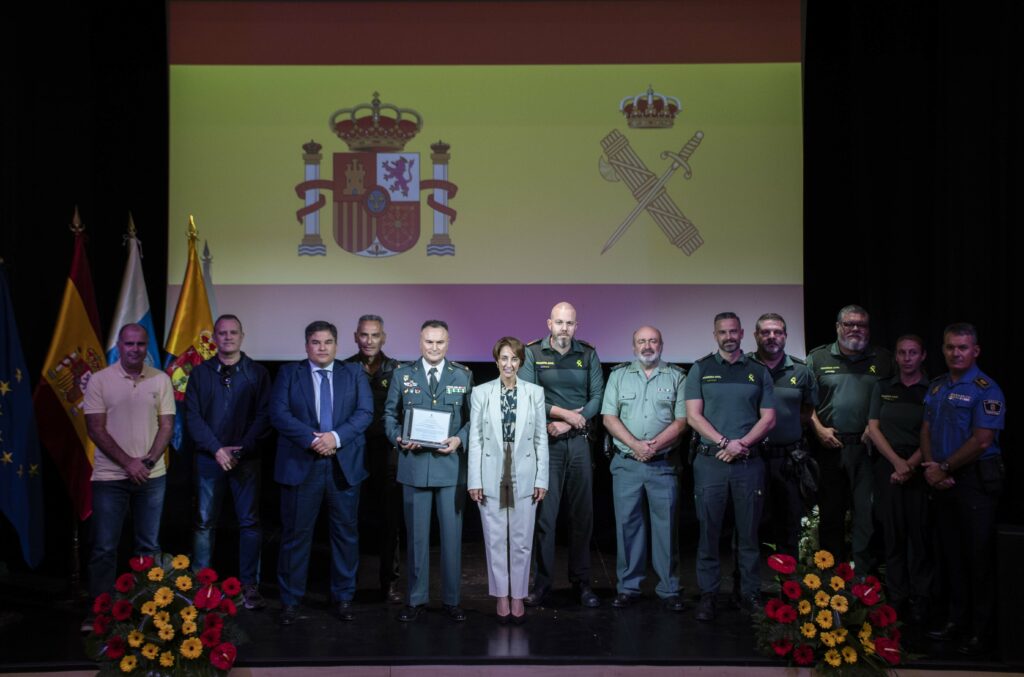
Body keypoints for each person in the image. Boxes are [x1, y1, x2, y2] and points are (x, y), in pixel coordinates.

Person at [271, 320, 373, 625]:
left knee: (345, 535)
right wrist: (313, 439)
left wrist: (335, 438)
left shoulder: (353, 373)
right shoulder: (289, 373)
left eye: (328, 342)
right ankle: (290, 600)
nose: (322, 348)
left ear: (337, 345)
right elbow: (278, 413)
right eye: (316, 342)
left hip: (343, 466)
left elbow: (365, 412)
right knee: (296, 536)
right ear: (306, 346)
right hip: (302, 466)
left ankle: (343, 597)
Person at [684, 312, 775, 622]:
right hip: (711, 462)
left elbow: (769, 417)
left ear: (742, 333)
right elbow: (694, 416)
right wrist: (725, 443)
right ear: (715, 335)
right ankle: (708, 595)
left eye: (733, 331)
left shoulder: (758, 370)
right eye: (723, 332)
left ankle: (747, 594)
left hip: (748, 463)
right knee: (708, 532)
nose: (729, 336)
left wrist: (742, 445)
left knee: (748, 535)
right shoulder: (701, 368)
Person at [922, 323, 1005, 656]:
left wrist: (943, 468)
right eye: (950, 347)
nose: (956, 353)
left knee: (978, 560)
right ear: (943, 349)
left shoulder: (986, 389)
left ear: (975, 351)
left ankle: (981, 632)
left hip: (974, 483)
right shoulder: (939, 386)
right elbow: (926, 429)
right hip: (942, 480)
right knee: (951, 558)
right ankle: (956, 621)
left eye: (963, 348)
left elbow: (982, 441)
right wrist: (931, 469)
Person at [384, 320, 473, 622]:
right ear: (420, 342)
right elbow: (389, 414)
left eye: (440, 342)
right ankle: (416, 599)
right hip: (414, 467)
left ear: (448, 343)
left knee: (452, 538)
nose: (434, 348)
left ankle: (452, 601)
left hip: (450, 468)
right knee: (417, 539)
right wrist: (396, 436)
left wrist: (460, 438)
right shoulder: (402, 374)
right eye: (429, 342)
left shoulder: (462, 375)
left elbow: (474, 418)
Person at [83, 324, 175, 611]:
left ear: (146, 347)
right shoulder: (99, 381)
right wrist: (129, 463)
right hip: (110, 478)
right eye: (129, 344)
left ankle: (148, 611)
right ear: (119, 346)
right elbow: (95, 429)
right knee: (104, 548)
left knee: (148, 547)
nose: (135, 349)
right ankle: (99, 612)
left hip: (152, 476)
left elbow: (168, 425)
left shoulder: (161, 379)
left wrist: (147, 461)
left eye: (140, 344)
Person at [520, 301, 605, 608]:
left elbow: (597, 398)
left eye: (569, 323)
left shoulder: (588, 353)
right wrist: (563, 415)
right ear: (549, 324)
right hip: (546, 445)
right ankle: (542, 585)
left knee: (582, 517)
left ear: (576, 326)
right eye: (559, 323)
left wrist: (568, 423)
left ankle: (582, 583)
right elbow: (528, 397)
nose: (564, 329)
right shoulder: (532, 353)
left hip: (579, 442)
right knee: (546, 518)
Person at [184, 314, 272, 610]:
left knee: (249, 523)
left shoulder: (257, 373)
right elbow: (192, 417)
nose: (228, 337)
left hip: (246, 460)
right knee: (204, 524)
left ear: (242, 336)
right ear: (215, 338)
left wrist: (241, 449)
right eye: (222, 333)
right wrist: (217, 450)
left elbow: (264, 416)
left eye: (233, 332)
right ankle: (201, 587)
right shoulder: (199, 374)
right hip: (210, 460)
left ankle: (249, 586)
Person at [601, 326, 688, 612]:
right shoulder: (618, 375)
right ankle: (628, 587)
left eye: (652, 341)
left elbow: (681, 421)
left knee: (667, 530)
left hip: (663, 466)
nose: (647, 346)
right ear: (633, 345)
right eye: (641, 341)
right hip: (627, 465)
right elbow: (609, 418)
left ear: (661, 344)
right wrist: (636, 445)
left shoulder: (677, 376)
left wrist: (652, 446)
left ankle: (669, 588)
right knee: (628, 528)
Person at [806, 305, 893, 573]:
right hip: (829, 447)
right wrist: (818, 428)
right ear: (838, 327)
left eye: (862, 325)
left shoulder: (884, 359)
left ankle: (863, 581)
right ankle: (830, 581)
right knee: (830, 516)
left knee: (866, 518)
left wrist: (875, 425)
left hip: (868, 450)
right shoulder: (817, 358)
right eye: (849, 324)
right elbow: (804, 402)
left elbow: (896, 400)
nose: (855, 329)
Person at [468, 337, 549, 623]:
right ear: (496, 360)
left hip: (524, 470)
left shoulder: (534, 393)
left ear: (520, 362)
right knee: (495, 537)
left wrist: (542, 478)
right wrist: (474, 480)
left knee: (522, 538)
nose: (508, 364)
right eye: (504, 358)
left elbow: (540, 438)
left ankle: (518, 595)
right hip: (492, 469)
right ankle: (501, 595)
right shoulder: (481, 393)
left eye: (514, 359)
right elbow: (475, 439)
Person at [865, 334, 932, 625]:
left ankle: (920, 598)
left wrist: (910, 465)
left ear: (923, 356)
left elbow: (932, 432)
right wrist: (896, 463)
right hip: (888, 466)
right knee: (892, 535)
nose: (907, 358)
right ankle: (896, 597)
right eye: (902, 353)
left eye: (912, 353)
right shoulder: (882, 387)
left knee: (919, 537)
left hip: (919, 467)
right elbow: (873, 427)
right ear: (895, 356)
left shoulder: (932, 390)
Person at [342, 314, 403, 603]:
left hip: (387, 454)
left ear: (384, 338)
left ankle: (388, 582)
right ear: (356, 337)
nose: (369, 341)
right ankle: (347, 582)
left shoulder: (398, 370)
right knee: (348, 521)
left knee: (390, 522)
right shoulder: (343, 369)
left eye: (375, 335)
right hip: (351, 453)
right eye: (364, 335)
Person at [749, 313, 817, 558]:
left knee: (789, 525)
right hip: (750, 458)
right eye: (765, 332)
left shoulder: (801, 370)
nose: (771, 337)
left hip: (786, 460)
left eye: (777, 332)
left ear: (785, 336)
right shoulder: (743, 367)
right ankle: (746, 590)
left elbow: (808, 410)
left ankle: (788, 589)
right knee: (747, 525)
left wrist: (783, 427)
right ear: (756, 336)